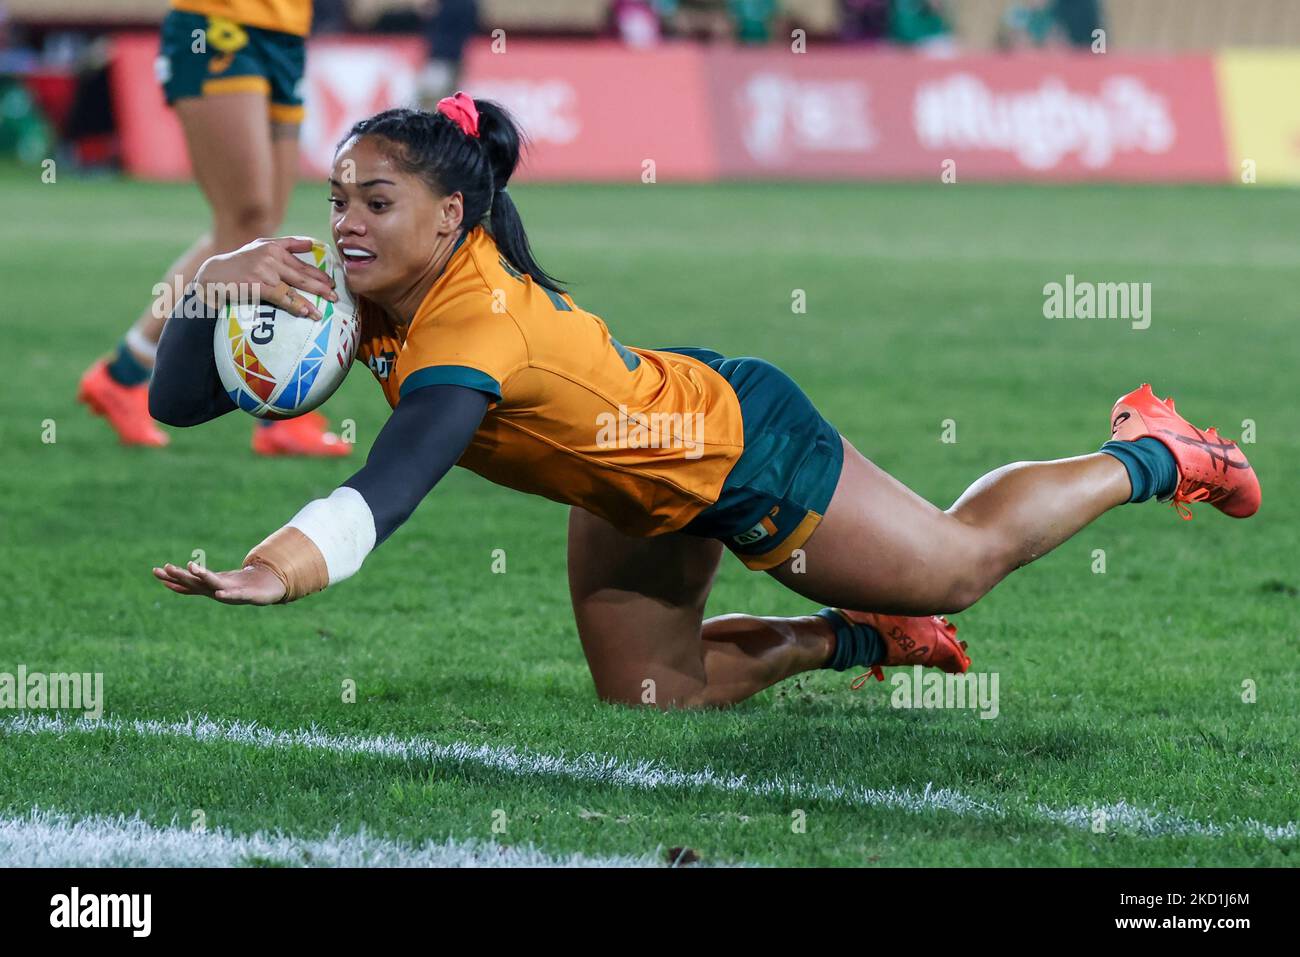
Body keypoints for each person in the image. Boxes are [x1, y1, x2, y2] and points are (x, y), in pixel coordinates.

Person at [147, 95, 1261, 710]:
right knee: (652, 707)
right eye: (337, 196)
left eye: (374, 201)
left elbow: (389, 485)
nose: (342, 221)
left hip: (733, 446)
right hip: (626, 480)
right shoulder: (347, 279)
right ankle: (866, 641)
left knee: (960, 565)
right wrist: (206, 284)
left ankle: (1152, 451)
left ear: (450, 218)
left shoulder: (474, 324)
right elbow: (185, 405)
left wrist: (275, 568)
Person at [77, 0, 350, 456]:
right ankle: (127, 377)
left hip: (285, 32)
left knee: (259, 230)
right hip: (218, 24)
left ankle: (124, 377)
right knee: (244, 224)